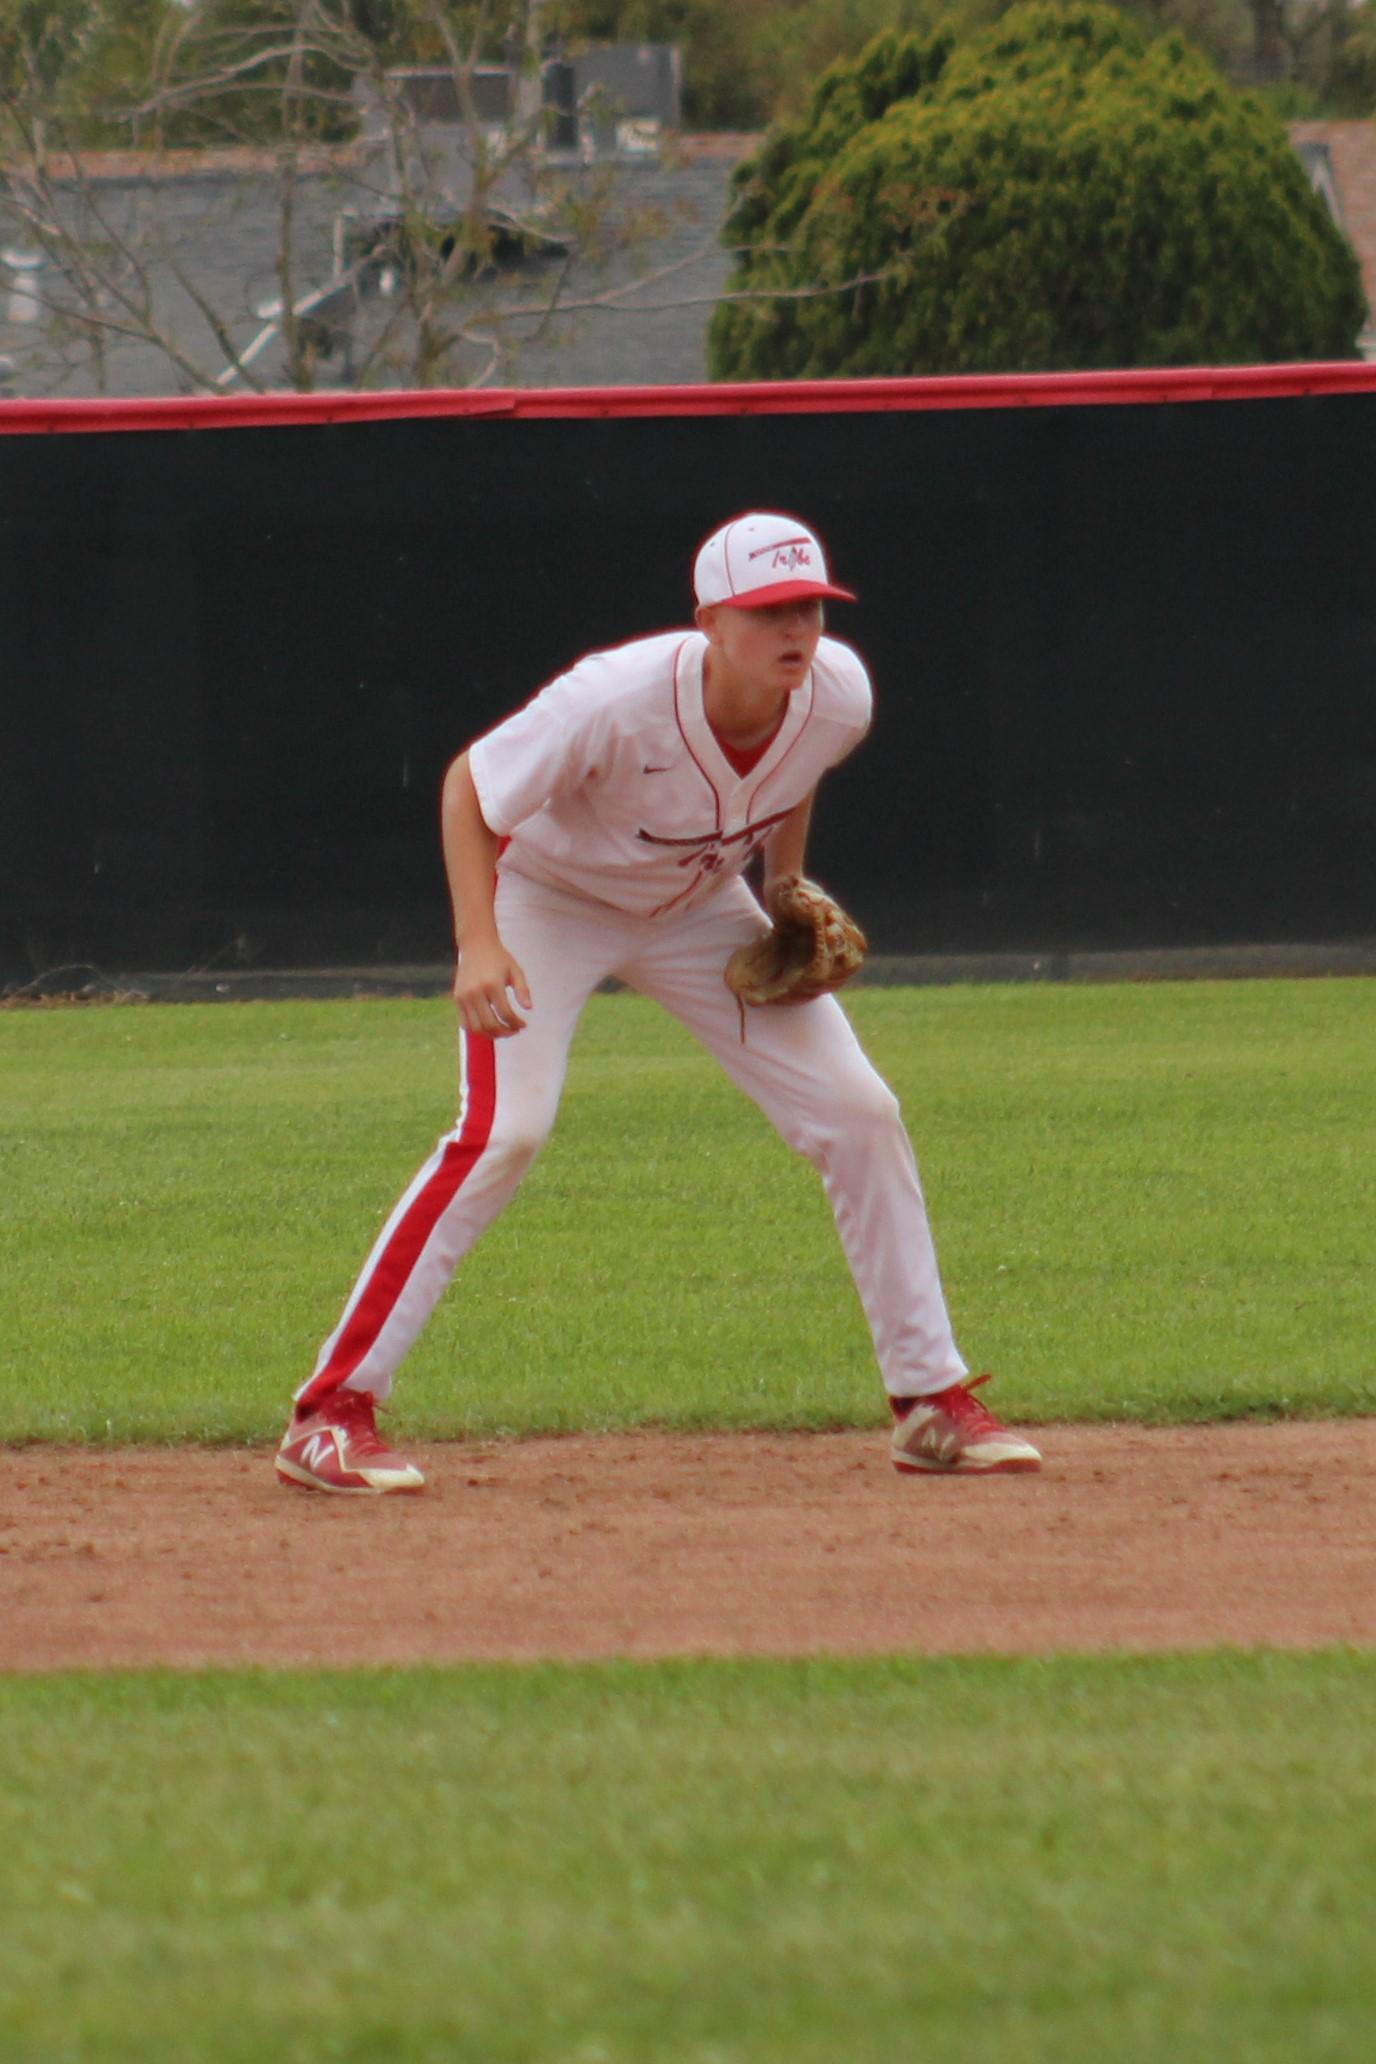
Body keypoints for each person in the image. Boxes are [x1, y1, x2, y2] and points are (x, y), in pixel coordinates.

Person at [276, 511, 1042, 1494]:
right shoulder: (615, 699)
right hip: (549, 905)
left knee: (859, 1113)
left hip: (697, 911)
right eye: (767, 610)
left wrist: (783, 884)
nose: (795, 629)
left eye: (809, 606)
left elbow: (797, 767)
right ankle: (330, 1412)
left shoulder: (837, 692)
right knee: (504, 1132)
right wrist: (478, 942)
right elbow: (470, 787)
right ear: (710, 621)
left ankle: (929, 1400)